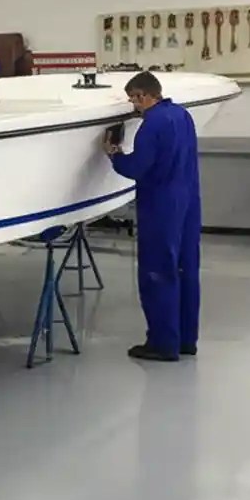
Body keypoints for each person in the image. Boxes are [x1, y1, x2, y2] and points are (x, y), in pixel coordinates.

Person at [103, 71, 201, 362]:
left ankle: (162, 343)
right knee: (186, 270)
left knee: (158, 272)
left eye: (133, 99)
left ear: (141, 95)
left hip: (160, 206)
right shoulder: (183, 116)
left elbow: (137, 167)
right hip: (188, 203)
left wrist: (114, 154)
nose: (133, 106)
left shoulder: (152, 125)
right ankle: (186, 340)